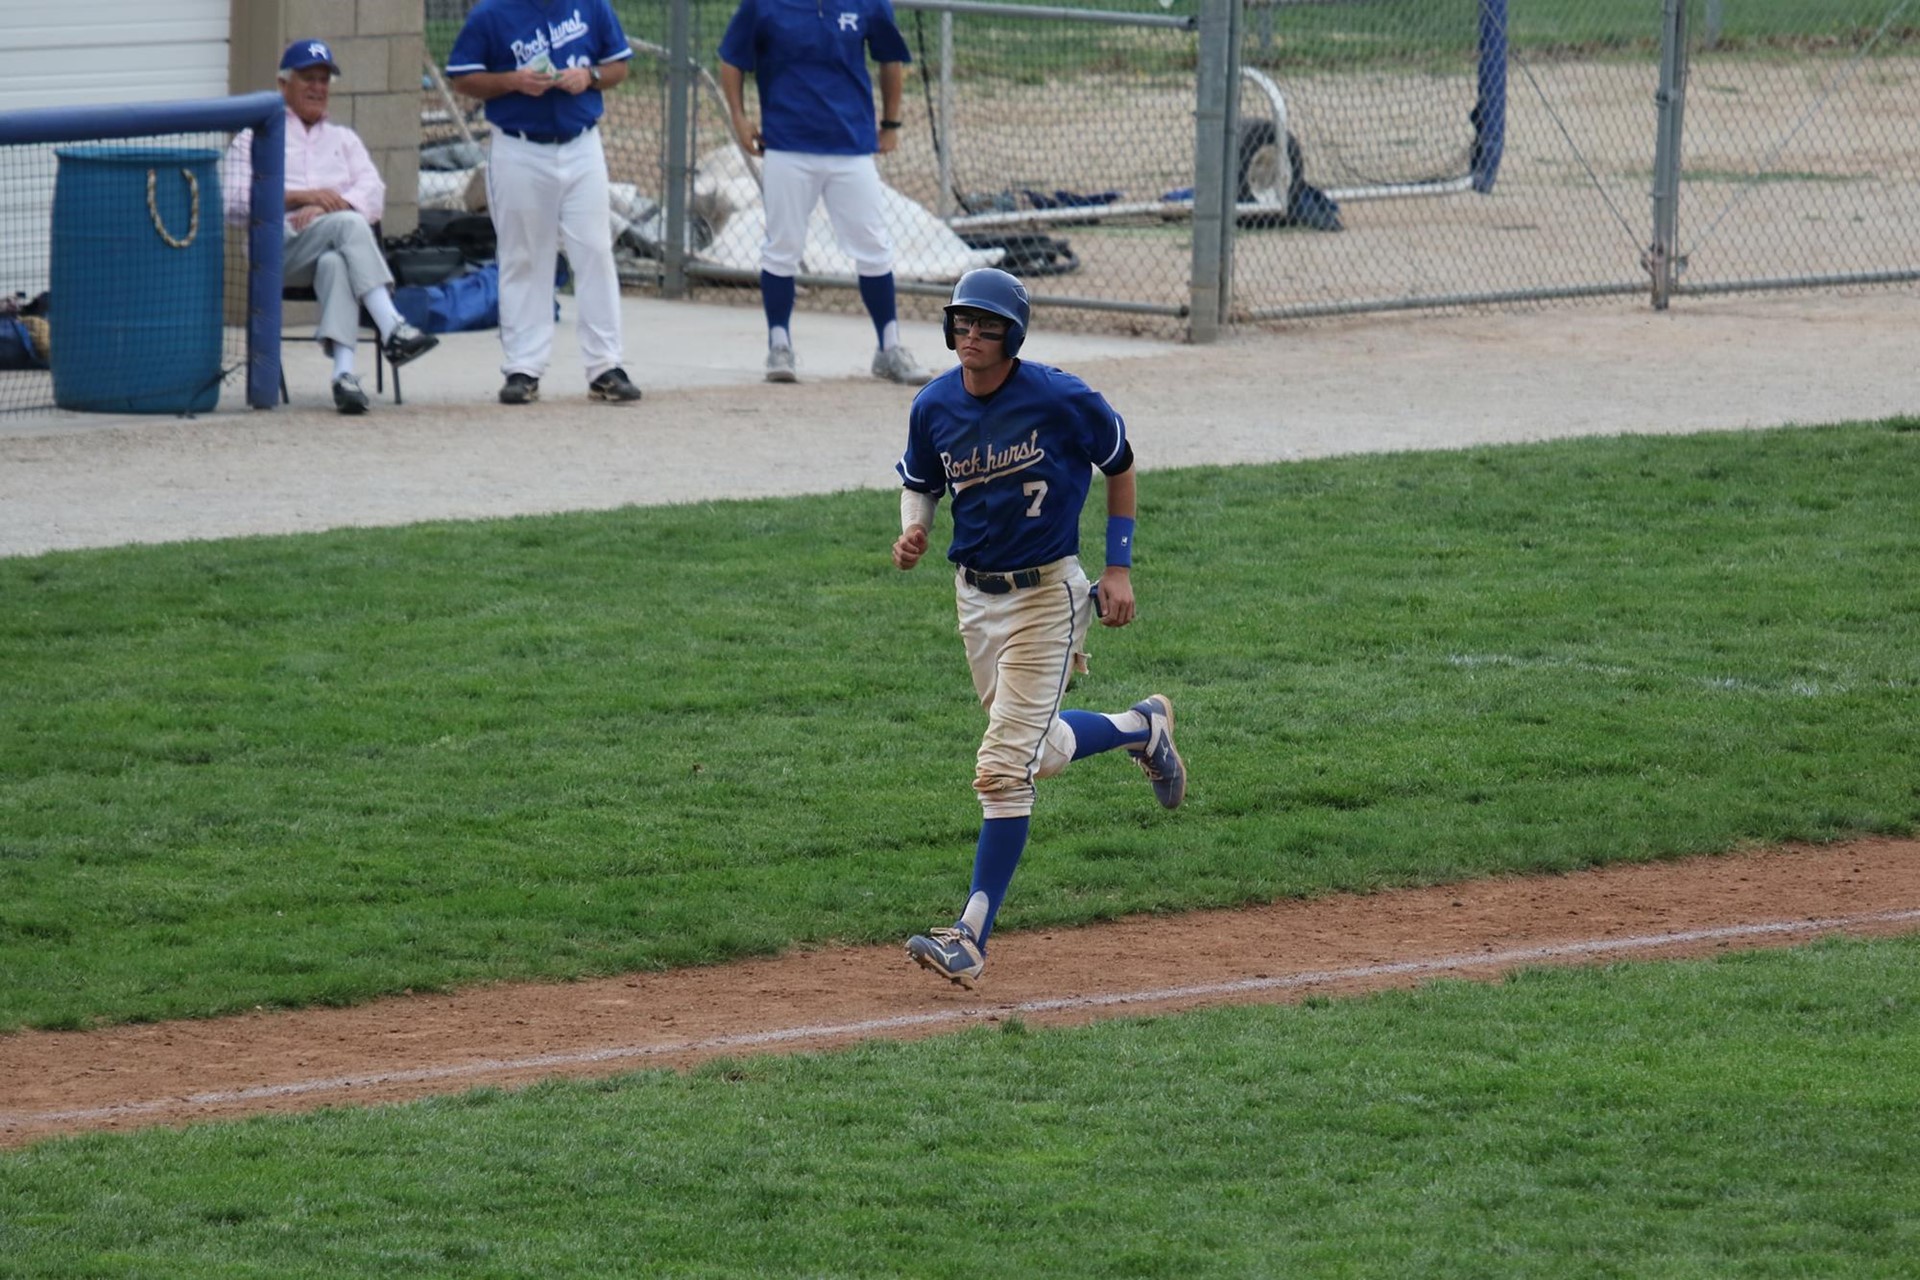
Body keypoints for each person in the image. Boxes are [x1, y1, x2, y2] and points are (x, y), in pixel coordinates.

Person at [891, 267, 1186, 988]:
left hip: (1048, 597)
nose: (971, 335)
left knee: (1001, 770)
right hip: (975, 601)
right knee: (1036, 752)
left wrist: (1118, 570)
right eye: (962, 322)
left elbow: (1120, 464)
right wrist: (913, 530)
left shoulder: (1059, 398)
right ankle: (1143, 728)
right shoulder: (934, 405)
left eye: (986, 325)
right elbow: (920, 481)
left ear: (1012, 334)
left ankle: (969, 936)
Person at [718, 0, 932, 387]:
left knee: (872, 244)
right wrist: (739, 116)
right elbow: (732, 58)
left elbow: (890, 57)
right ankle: (779, 345)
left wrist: (891, 122)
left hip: (851, 144)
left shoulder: (868, 3)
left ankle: (889, 346)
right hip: (787, 143)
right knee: (782, 245)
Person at [225, 39, 440, 415]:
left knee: (337, 261)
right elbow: (233, 203)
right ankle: (391, 325)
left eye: (324, 80)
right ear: (283, 84)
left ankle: (344, 376)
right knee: (347, 226)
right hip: (278, 250)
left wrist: (329, 210)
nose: (318, 88)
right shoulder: (253, 137)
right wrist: (299, 198)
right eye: (308, 78)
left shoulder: (344, 140)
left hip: (328, 248)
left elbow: (373, 193)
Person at [447, 0, 642, 406]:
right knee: (524, 256)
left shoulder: (590, 6)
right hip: (519, 147)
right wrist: (513, 81)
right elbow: (462, 77)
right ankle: (523, 368)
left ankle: (605, 366)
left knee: (594, 250)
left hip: (582, 144)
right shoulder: (492, 12)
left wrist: (589, 76)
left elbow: (618, 66)